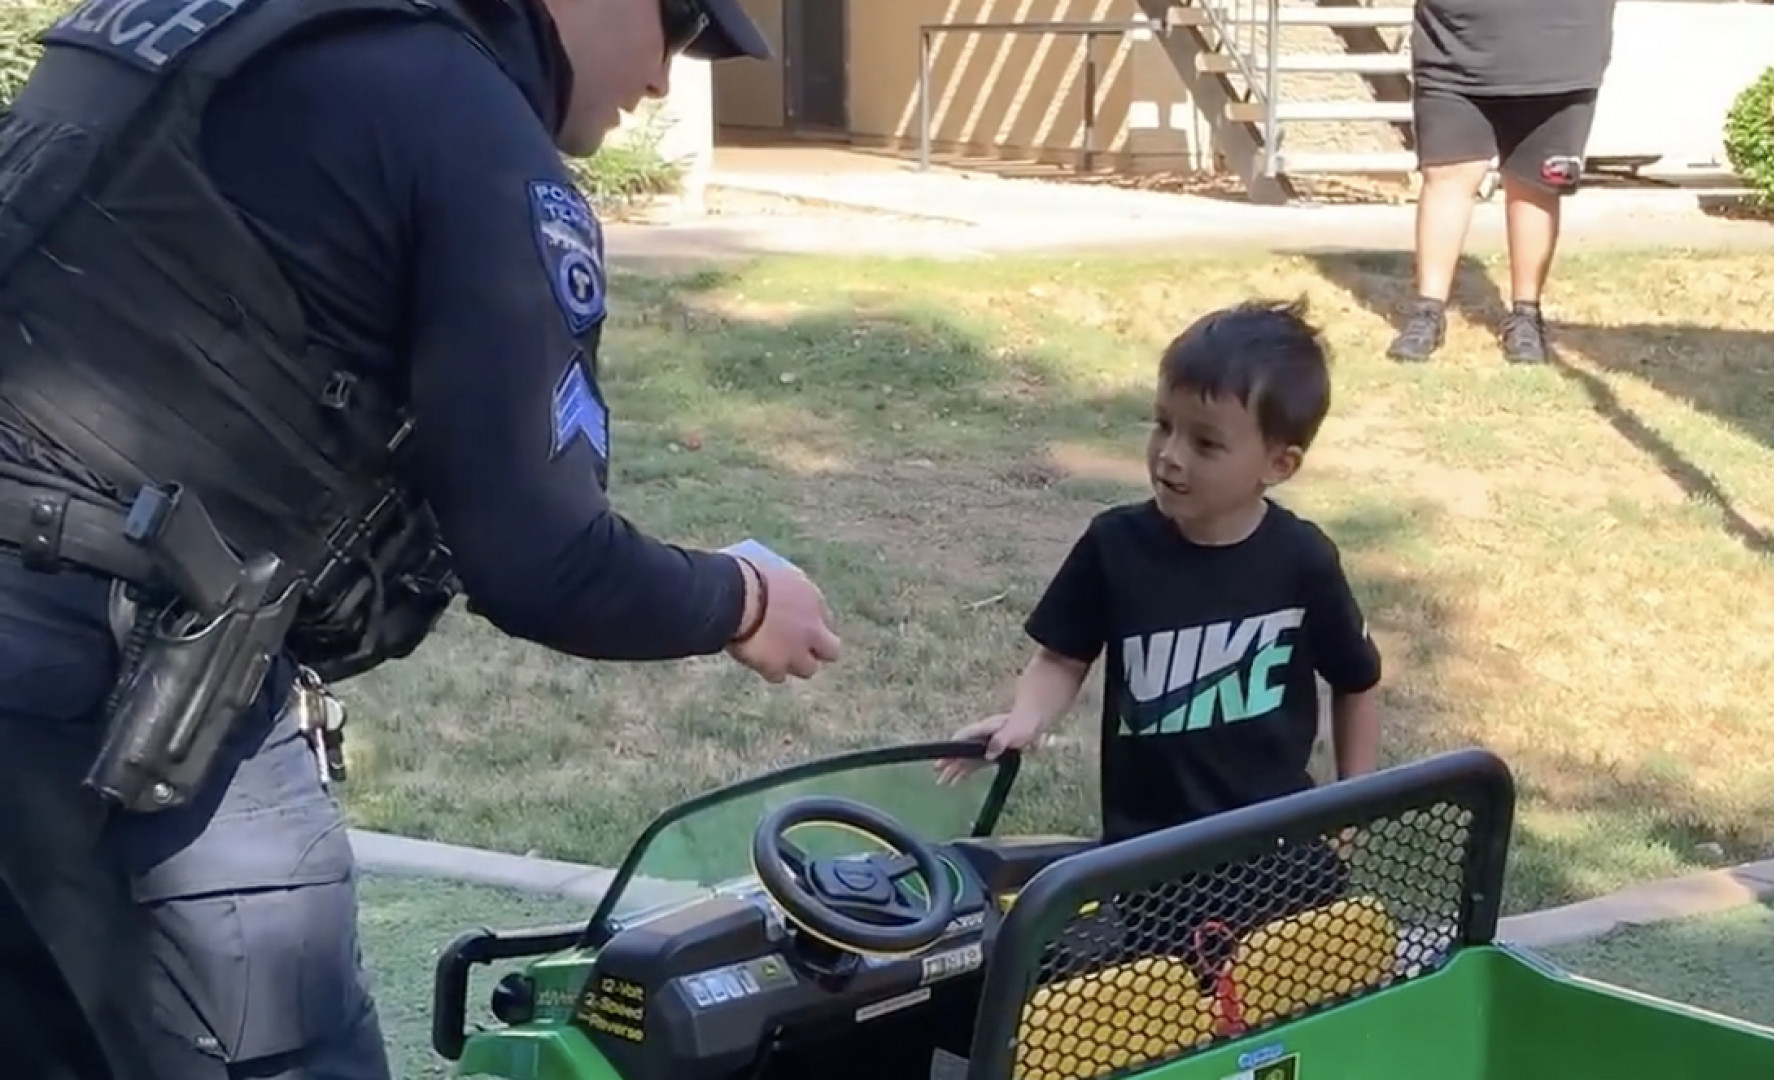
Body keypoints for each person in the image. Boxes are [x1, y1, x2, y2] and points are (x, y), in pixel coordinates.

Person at [0, 0, 839, 1076]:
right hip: (117, 690)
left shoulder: (187, 22)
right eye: (674, 28)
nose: (665, 83)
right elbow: (546, 561)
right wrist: (747, 598)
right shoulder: (470, 123)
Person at [938, 299, 1383, 965]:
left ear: (1279, 463)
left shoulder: (1303, 561)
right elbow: (1062, 657)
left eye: (1205, 443)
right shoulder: (1115, 546)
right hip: (1151, 861)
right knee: (1163, 1028)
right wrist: (1024, 720)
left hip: (1279, 854)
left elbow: (1357, 682)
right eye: (1162, 426)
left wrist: (1351, 808)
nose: (1169, 456)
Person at [1384, 0, 1618, 365]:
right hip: (1453, 48)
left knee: (1535, 187)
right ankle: (1427, 312)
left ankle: (1526, 314)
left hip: (1563, 53)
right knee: (1447, 175)